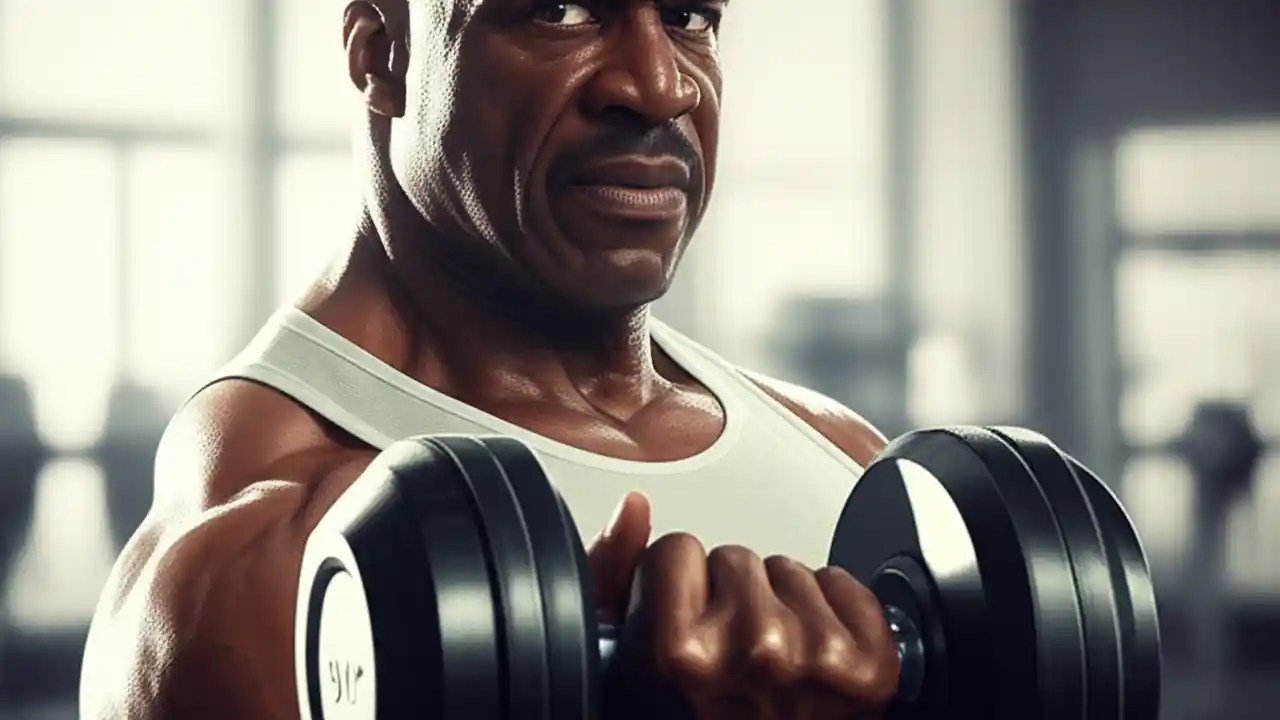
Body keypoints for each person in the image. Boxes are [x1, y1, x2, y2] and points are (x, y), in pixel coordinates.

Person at [80, 1, 899, 717]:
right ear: (381, 55)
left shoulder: (847, 458)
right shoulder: (260, 576)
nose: (659, 87)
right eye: (559, 11)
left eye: (688, 17)